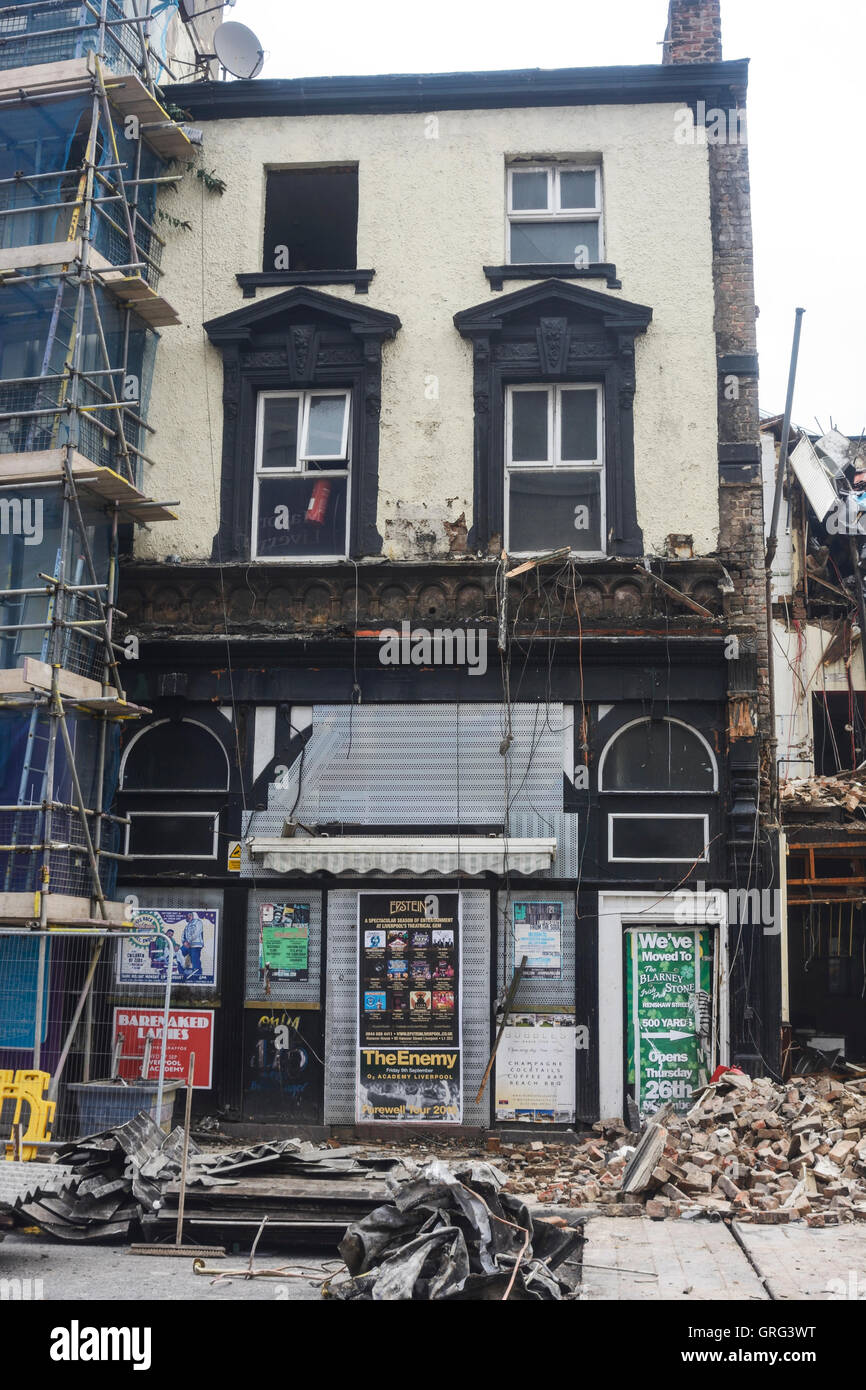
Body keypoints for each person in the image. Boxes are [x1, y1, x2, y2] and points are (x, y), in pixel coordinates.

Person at [181, 912, 207, 980]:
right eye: (187, 916)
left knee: (194, 959)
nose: (188, 917)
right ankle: (183, 971)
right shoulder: (187, 926)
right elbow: (183, 935)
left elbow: (197, 933)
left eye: (190, 915)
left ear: (193, 916)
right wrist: (184, 942)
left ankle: (197, 975)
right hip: (187, 945)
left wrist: (188, 941)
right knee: (179, 953)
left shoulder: (198, 922)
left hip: (196, 944)